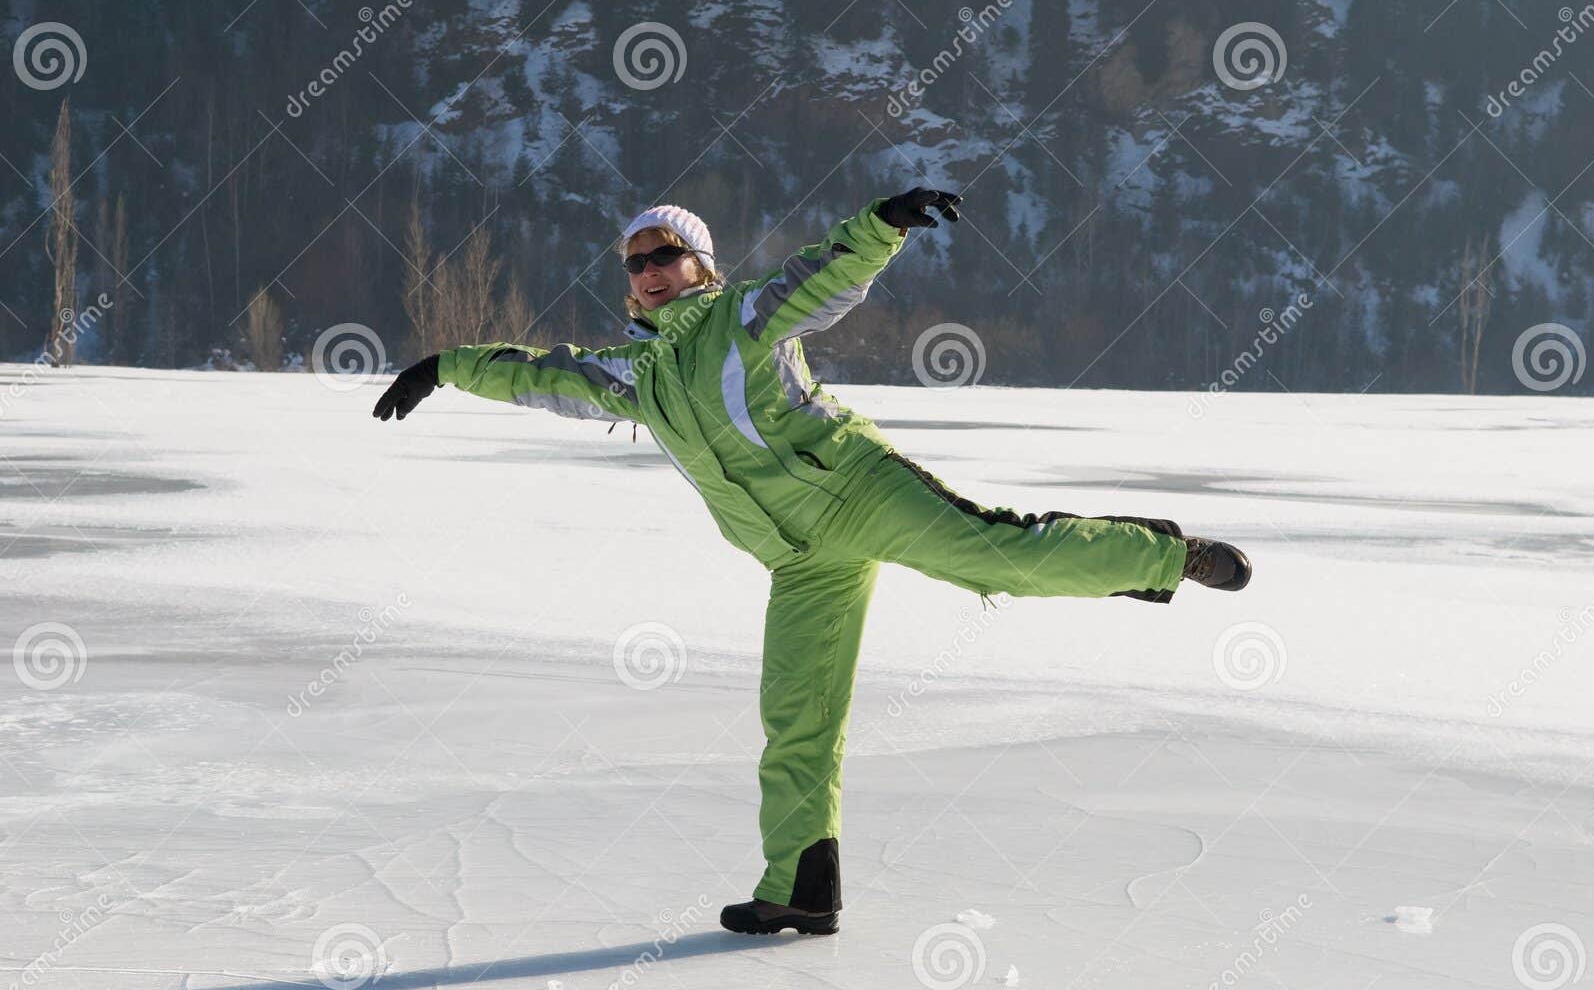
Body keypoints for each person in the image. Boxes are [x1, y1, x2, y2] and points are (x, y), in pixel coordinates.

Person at [373, 187, 1251, 936]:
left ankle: (1169, 555)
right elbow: (539, 373)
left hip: (860, 490)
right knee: (796, 717)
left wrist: (884, 222)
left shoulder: (742, 315)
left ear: (700, 262)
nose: (645, 271)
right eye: (634, 261)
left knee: (1004, 556)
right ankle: (801, 890)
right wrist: (443, 366)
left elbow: (826, 277)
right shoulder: (635, 376)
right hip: (798, 562)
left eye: (663, 253)